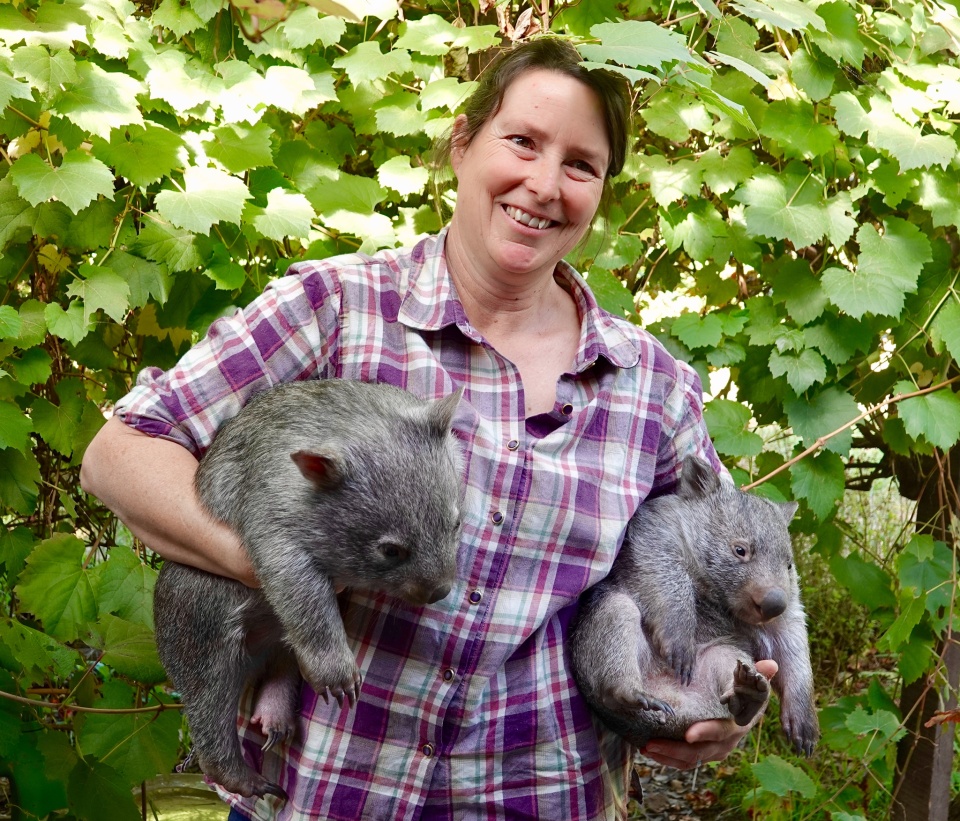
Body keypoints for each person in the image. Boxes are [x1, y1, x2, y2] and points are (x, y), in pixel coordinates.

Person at [81, 37, 777, 820]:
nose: (544, 184)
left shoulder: (652, 387)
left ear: (602, 191)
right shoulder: (335, 307)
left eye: (581, 165)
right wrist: (285, 568)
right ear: (462, 144)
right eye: (522, 141)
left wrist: (716, 693)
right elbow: (119, 454)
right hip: (329, 795)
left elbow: (722, 566)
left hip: (544, 793)